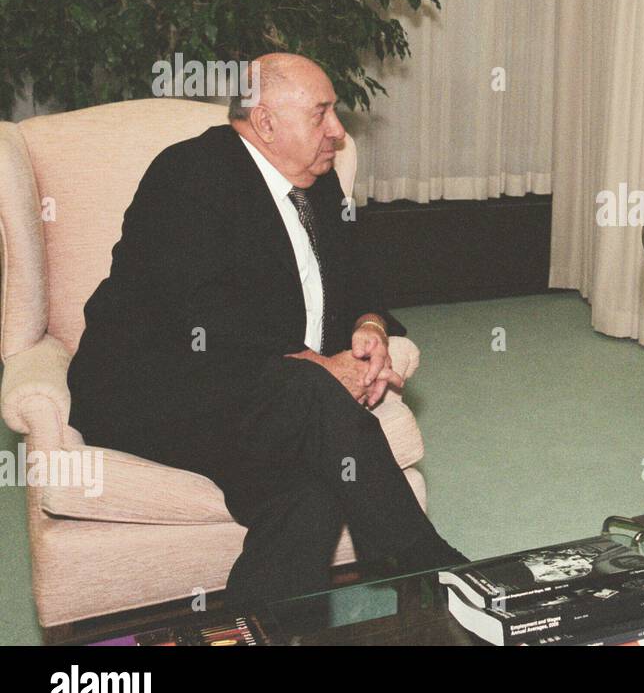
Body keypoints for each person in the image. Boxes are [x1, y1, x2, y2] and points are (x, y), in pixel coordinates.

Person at [67, 53, 467, 607]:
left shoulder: (319, 184)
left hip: (253, 398)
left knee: (309, 493)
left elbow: (361, 282)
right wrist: (319, 366)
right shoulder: (190, 174)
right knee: (310, 393)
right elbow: (190, 315)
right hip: (151, 387)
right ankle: (437, 576)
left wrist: (369, 327)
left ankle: (243, 629)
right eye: (322, 114)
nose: (338, 133)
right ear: (266, 122)